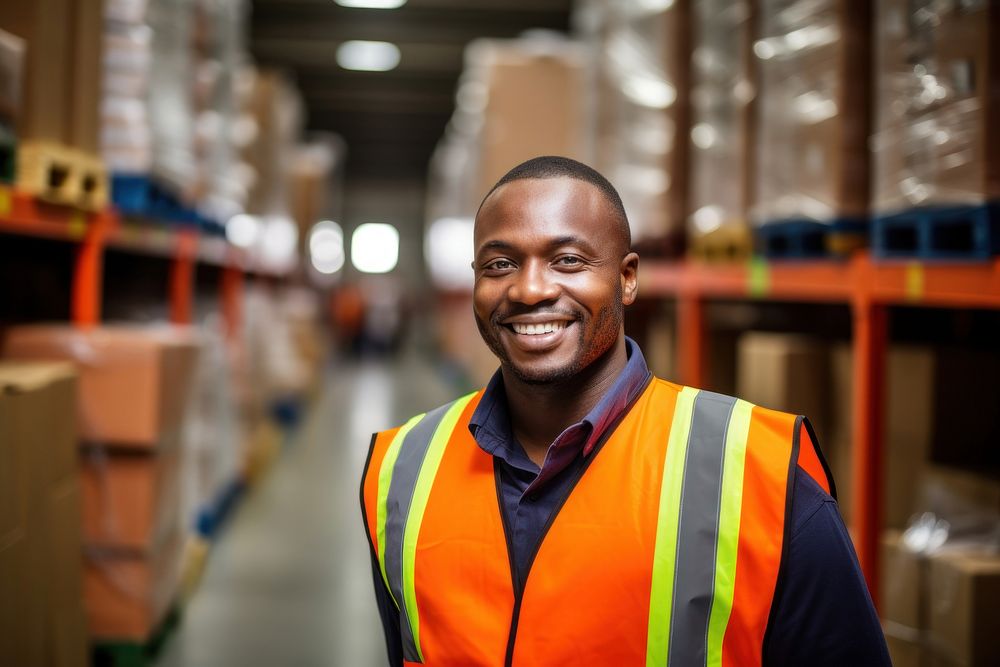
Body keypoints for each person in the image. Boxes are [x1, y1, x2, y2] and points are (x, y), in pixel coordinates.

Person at [361, 156, 890, 666]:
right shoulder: (402, 470)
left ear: (628, 277)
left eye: (568, 260)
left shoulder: (761, 473)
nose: (529, 289)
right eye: (500, 264)